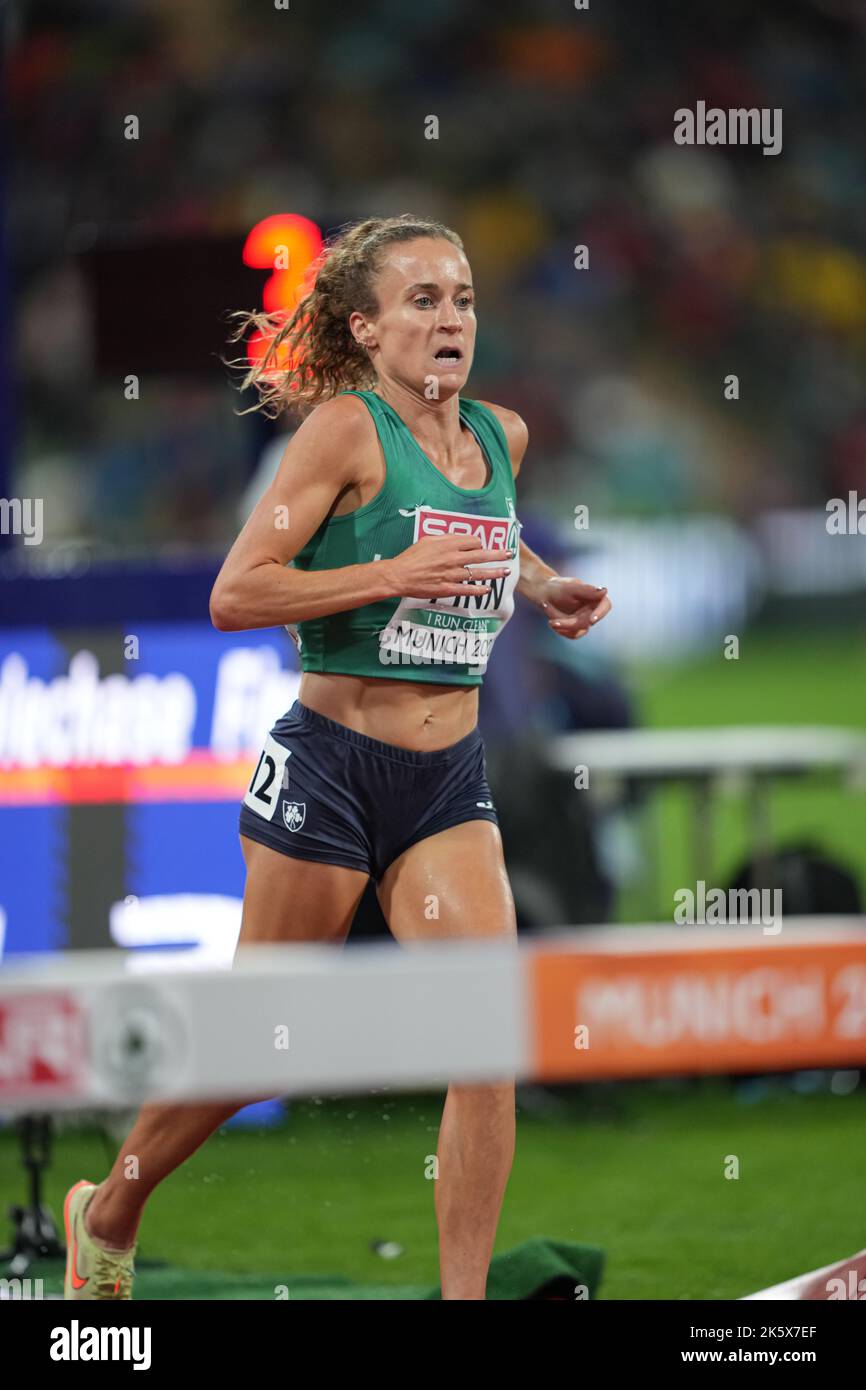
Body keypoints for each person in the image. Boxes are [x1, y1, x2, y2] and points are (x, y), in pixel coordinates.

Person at [63, 214, 611, 1302]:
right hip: (330, 770)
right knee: (258, 1042)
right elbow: (235, 593)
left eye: (460, 298)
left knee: (485, 1039)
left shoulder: (502, 435)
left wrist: (540, 585)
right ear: (364, 328)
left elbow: (484, 532)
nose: (448, 318)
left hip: (446, 784)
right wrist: (385, 576)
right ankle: (110, 1206)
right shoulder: (339, 435)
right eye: (421, 301)